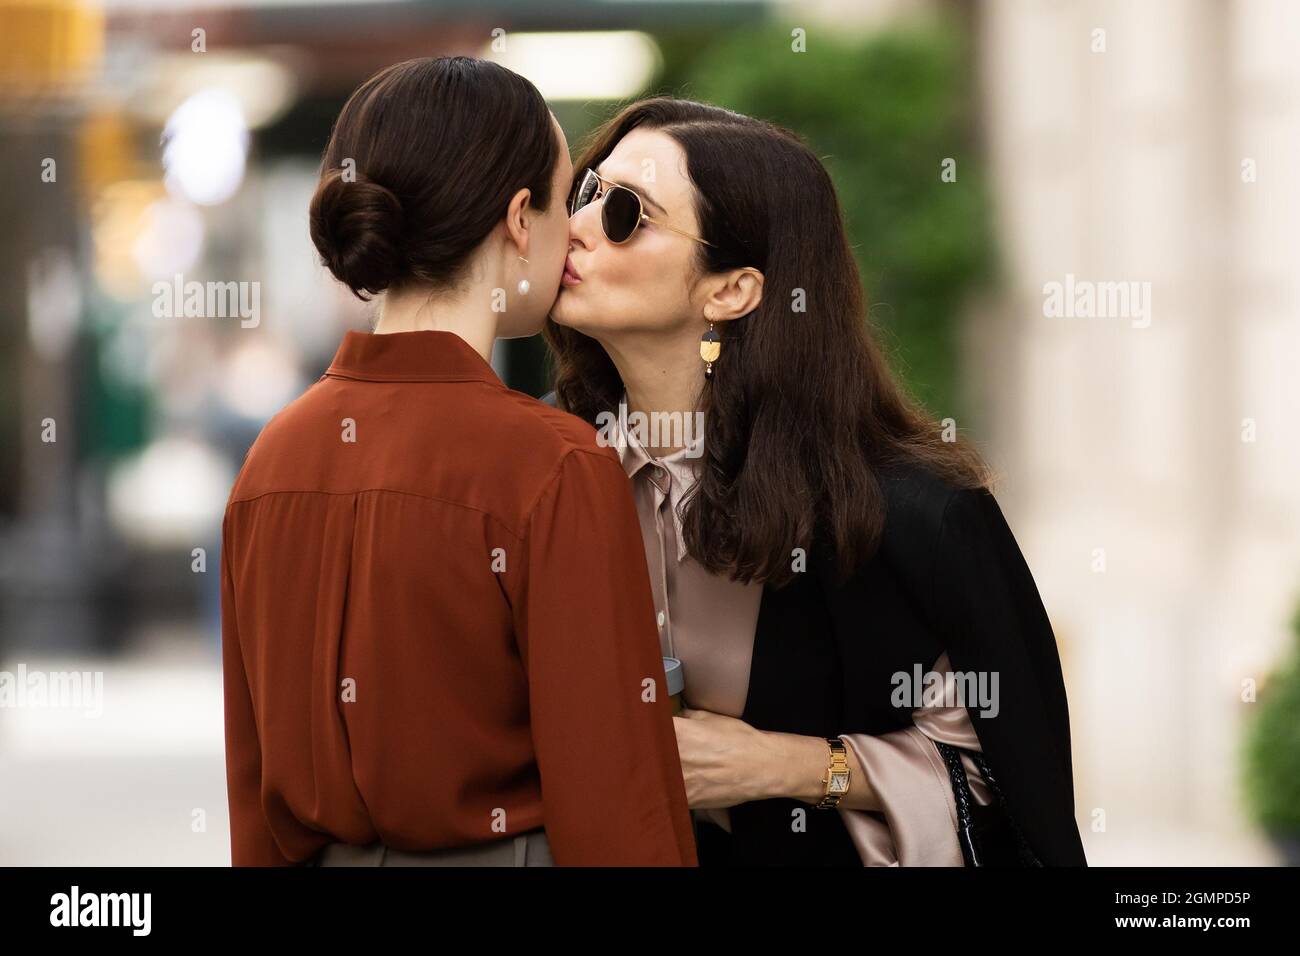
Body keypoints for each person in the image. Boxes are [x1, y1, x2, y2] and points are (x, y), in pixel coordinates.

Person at [544, 96, 1087, 866]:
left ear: (731, 290)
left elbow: (1005, 777)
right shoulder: (542, 470)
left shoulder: (909, 515)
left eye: (626, 213)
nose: (578, 226)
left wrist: (791, 766)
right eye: (587, 192)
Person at [220, 58, 697, 866]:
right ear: (519, 219)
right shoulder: (553, 464)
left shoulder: (273, 459)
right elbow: (618, 811)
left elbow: (253, 796)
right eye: (563, 198)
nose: (575, 230)